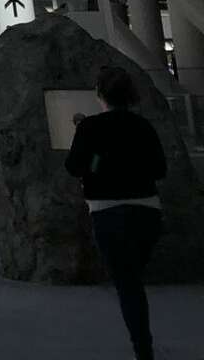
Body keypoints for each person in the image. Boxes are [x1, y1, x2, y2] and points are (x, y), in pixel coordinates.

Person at [66, 65, 167, 360]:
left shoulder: (90, 128)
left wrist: (97, 160)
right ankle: (143, 346)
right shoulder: (143, 126)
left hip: (107, 211)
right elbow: (160, 169)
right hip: (147, 210)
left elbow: (74, 166)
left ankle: (143, 348)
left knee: (128, 284)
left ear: (100, 94)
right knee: (134, 278)